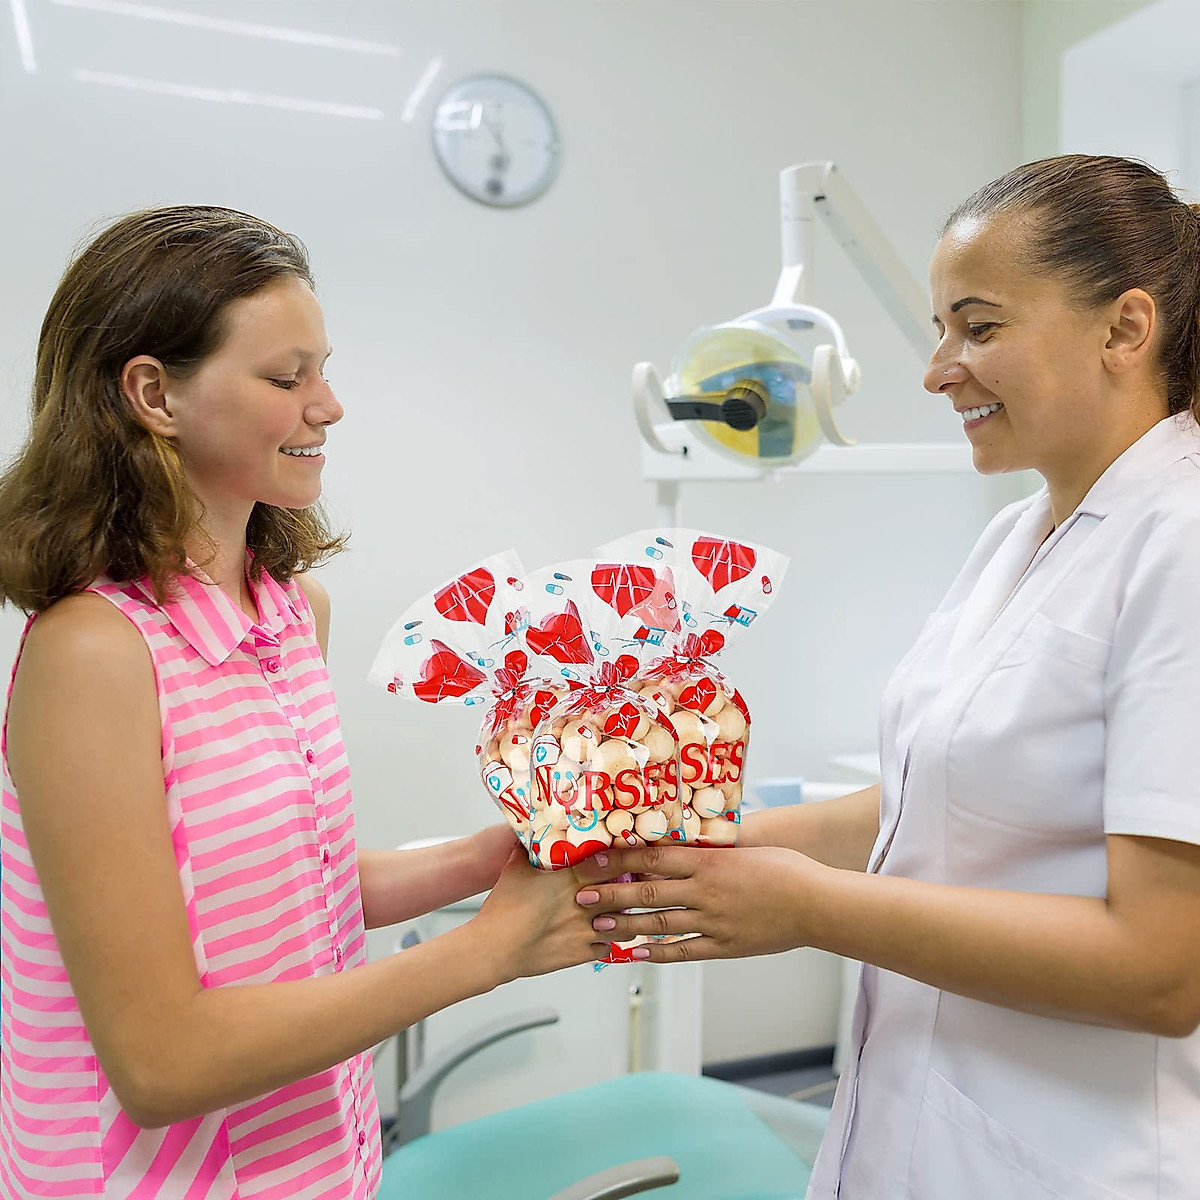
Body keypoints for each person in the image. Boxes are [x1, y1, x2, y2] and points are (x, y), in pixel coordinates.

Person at [573, 154, 1200, 1199]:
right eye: (943, 328)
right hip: (918, 1133)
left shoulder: (1182, 541)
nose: (937, 366)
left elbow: (1162, 967)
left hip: (1077, 1160)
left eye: (980, 326)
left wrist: (810, 909)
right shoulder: (1020, 534)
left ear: (1125, 331)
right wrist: (679, 851)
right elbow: (926, 804)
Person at [0, 206, 602, 1199]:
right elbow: (161, 1064)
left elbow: (293, 888)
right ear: (153, 394)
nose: (328, 405)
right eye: (288, 378)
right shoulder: (93, 656)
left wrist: (487, 856)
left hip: (321, 1165)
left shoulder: (288, 611)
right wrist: (486, 953)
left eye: (321, 369)